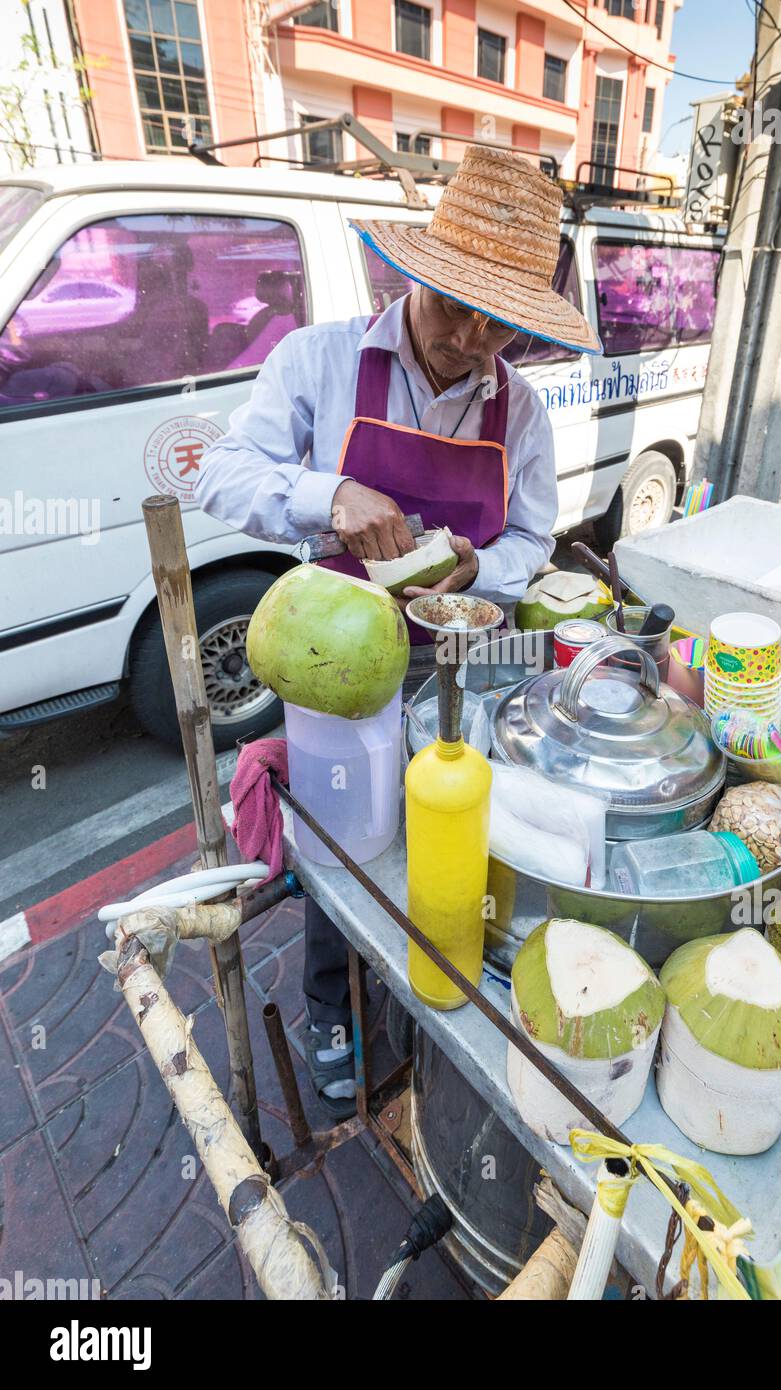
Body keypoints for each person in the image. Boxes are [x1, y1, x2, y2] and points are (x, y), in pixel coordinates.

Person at [195, 146, 599, 1118]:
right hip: (339, 670)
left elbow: (535, 539)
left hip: (461, 666)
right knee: (343, 843)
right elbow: (218, 474)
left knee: (444, 835)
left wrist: (482, 569)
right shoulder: (321, 362)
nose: (468, 336)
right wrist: (327, 496)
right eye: (454, 304)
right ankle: (333, 1004)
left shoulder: (525, 412)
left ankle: (438, 980)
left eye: (497, 322)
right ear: (412, 273)